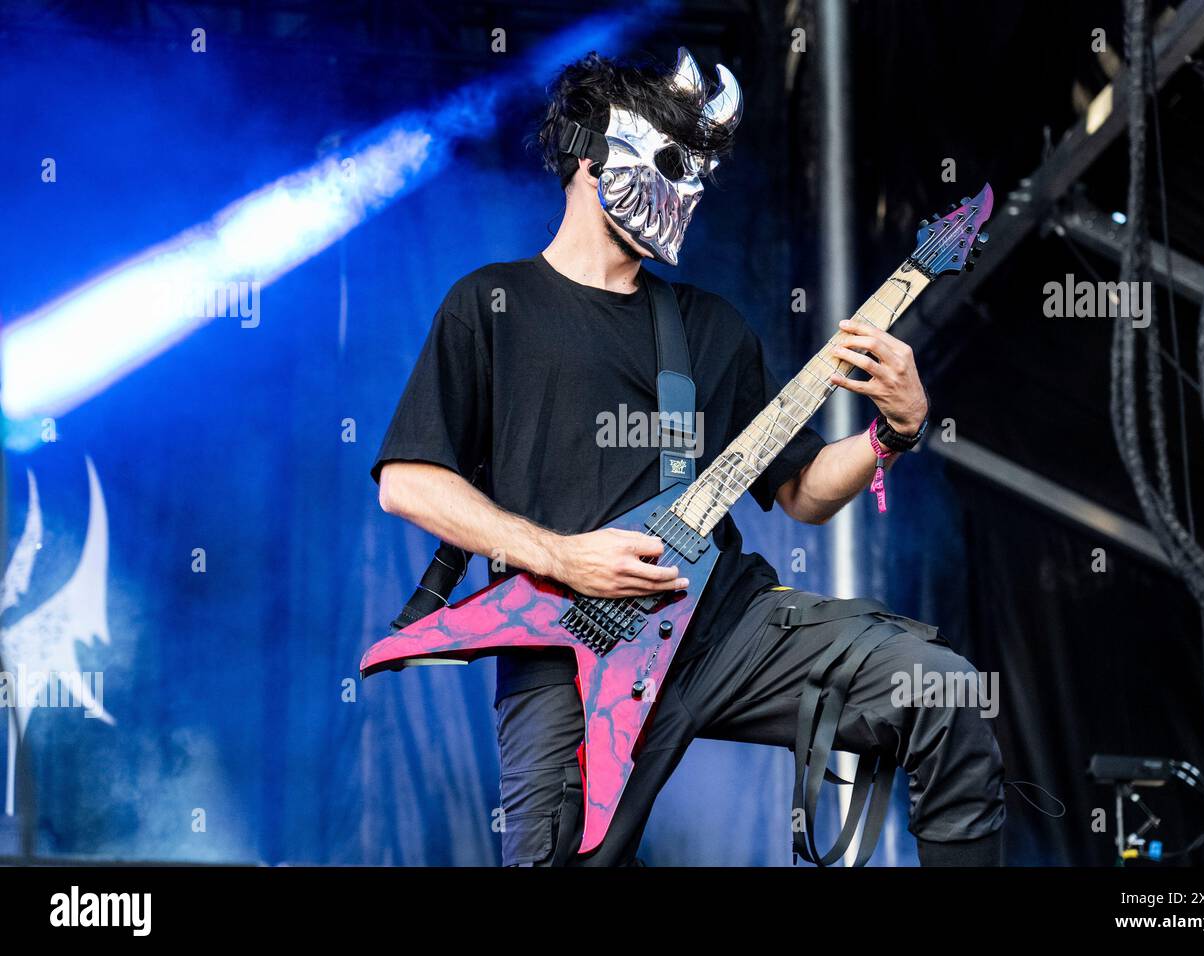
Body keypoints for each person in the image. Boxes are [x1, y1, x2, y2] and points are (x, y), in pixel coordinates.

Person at [372, 49, 1005, 866]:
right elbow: (407, 481)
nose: (693, 190)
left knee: (941, 692)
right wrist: (562, 555)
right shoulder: (492, 306)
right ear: (590, 157)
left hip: (723, 625)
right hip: (569, 645)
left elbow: (803, 491)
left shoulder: (709, 327)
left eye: (703, 171)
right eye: (675, 162)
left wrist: (895, 433)